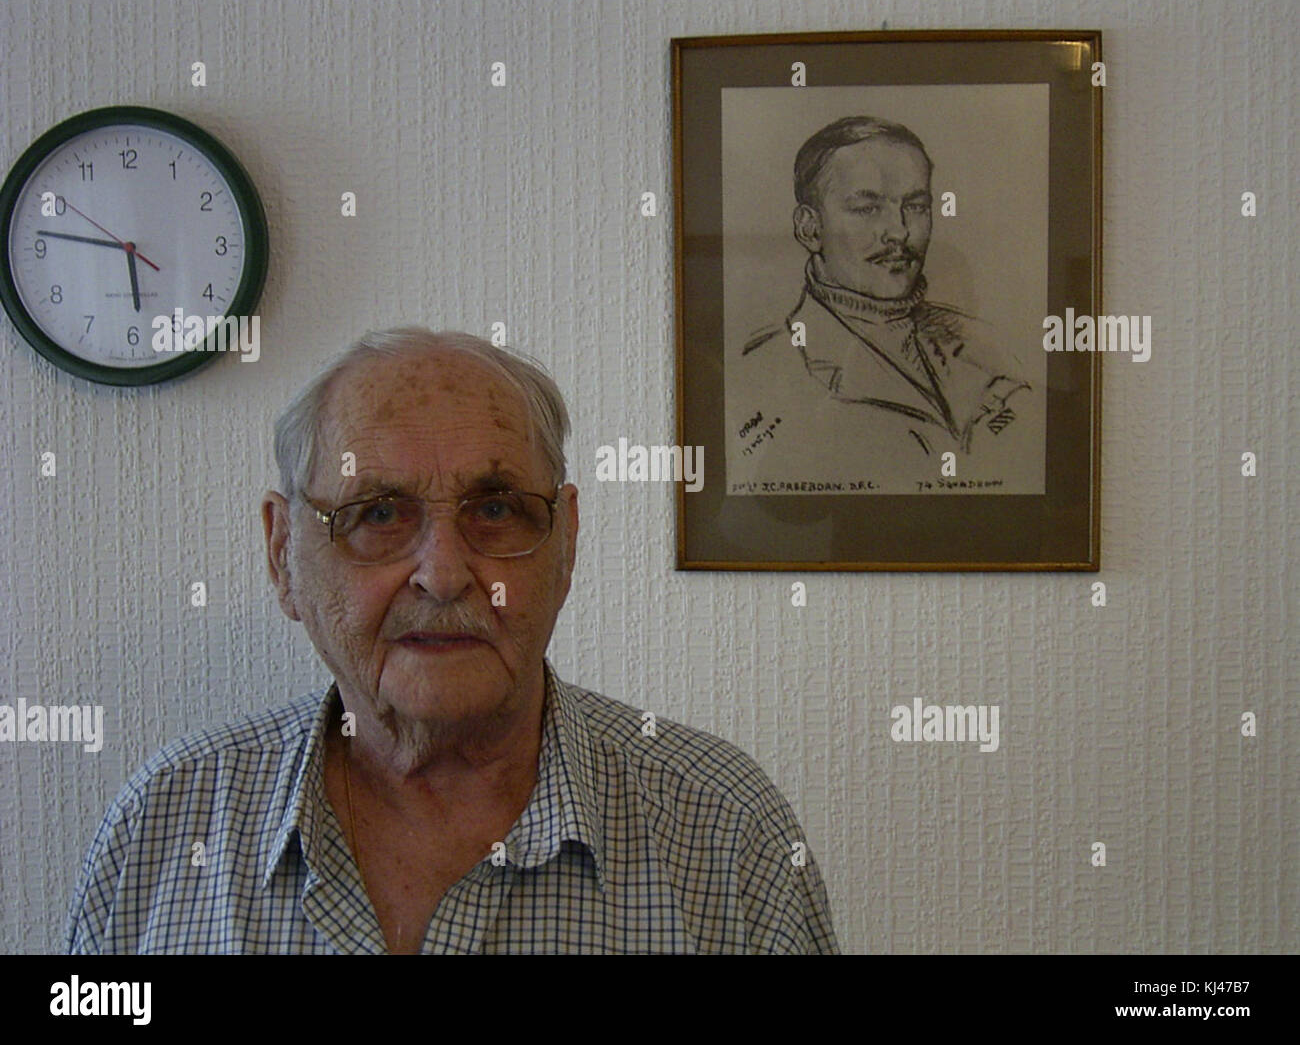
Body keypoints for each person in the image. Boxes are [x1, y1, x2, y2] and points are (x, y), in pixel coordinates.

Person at [64, 327, 839, 954]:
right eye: (376, 513)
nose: (442, 574)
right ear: (282, 555)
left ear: (565, 542)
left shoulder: (728, 833)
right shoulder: (160, 828)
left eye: (496, 510)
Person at [731, 116, 1032, 489]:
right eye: (867, 208)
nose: (899, 231)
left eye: (916, 206)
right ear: (810, 228)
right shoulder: (764, 370)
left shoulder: (989, 347)